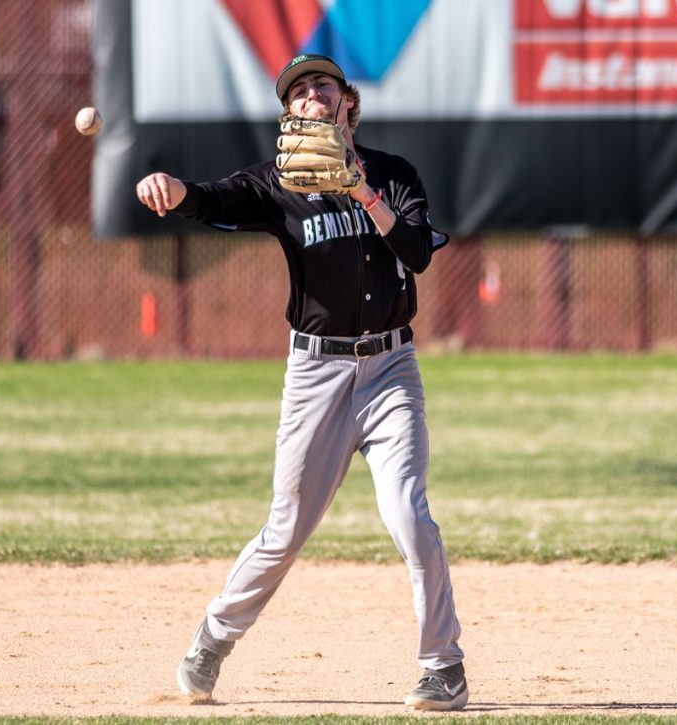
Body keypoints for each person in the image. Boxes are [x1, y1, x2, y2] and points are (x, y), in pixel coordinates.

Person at [136, 53, 467, 712]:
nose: (312, 94)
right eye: (299, 91)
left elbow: (418, 254)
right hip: (318, 370)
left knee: (409, 514)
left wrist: (361, 190)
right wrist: (176, 191)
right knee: (285, 529)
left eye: (323, 84)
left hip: (391, 368)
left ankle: (443, 665)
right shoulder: (276, 184)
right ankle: (212, 638)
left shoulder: (393, 174)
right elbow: (213, 199)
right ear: (289, 115)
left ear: (348, 103)